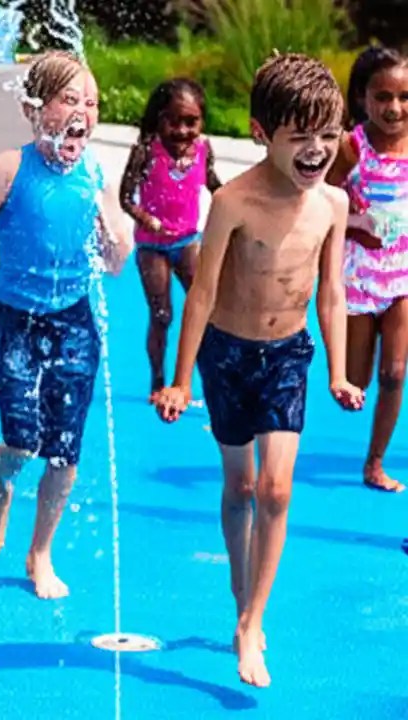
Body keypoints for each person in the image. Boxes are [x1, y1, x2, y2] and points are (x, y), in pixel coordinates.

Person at [154, 53, 365, 688]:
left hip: (288, 356)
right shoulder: (233, 202)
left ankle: (251, 624)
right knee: (240, 490)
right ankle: (240, 598)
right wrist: (180, 378)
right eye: (299, 138)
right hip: (228, 354)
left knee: (275, 491)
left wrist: (338, 371)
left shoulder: (331, 203)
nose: (316, 151)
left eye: (327, 136)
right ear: (260, 133)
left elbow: (332, 293)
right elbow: (203, 294)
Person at [0, 50, 133, 600]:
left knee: (64, 449)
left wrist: (116, 234)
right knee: (24, 436)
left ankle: (41, 551)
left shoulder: (95, 172)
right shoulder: (11, 167)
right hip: (15, 322)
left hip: (74, 322)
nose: (83, 112)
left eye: (92, 102)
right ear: (37, 109)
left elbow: (115, 258)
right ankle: (2, 487)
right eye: (70, 99)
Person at [324, 46, 408, 493]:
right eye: (383, 97)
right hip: (358, 271)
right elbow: (321, 204)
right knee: (354, 382)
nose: (394, 107)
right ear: (363, 98)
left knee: (394, 373)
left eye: (404, 96)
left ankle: (374, 463)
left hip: (403, 273)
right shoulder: (351, 147)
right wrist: (355, 225)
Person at [120, 78, 224, 398]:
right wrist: (146, 219)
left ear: (202, 121)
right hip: (153, 246)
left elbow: (214, 186)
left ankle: (203, 375)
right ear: (158, 118)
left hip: (188, 240)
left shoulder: (204, 151)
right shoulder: (146, 151)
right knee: (162, 315)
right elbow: (126, 198)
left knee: (207, 308)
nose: (181, 130)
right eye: (173, 121)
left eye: (191, 122)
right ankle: (158, 379)